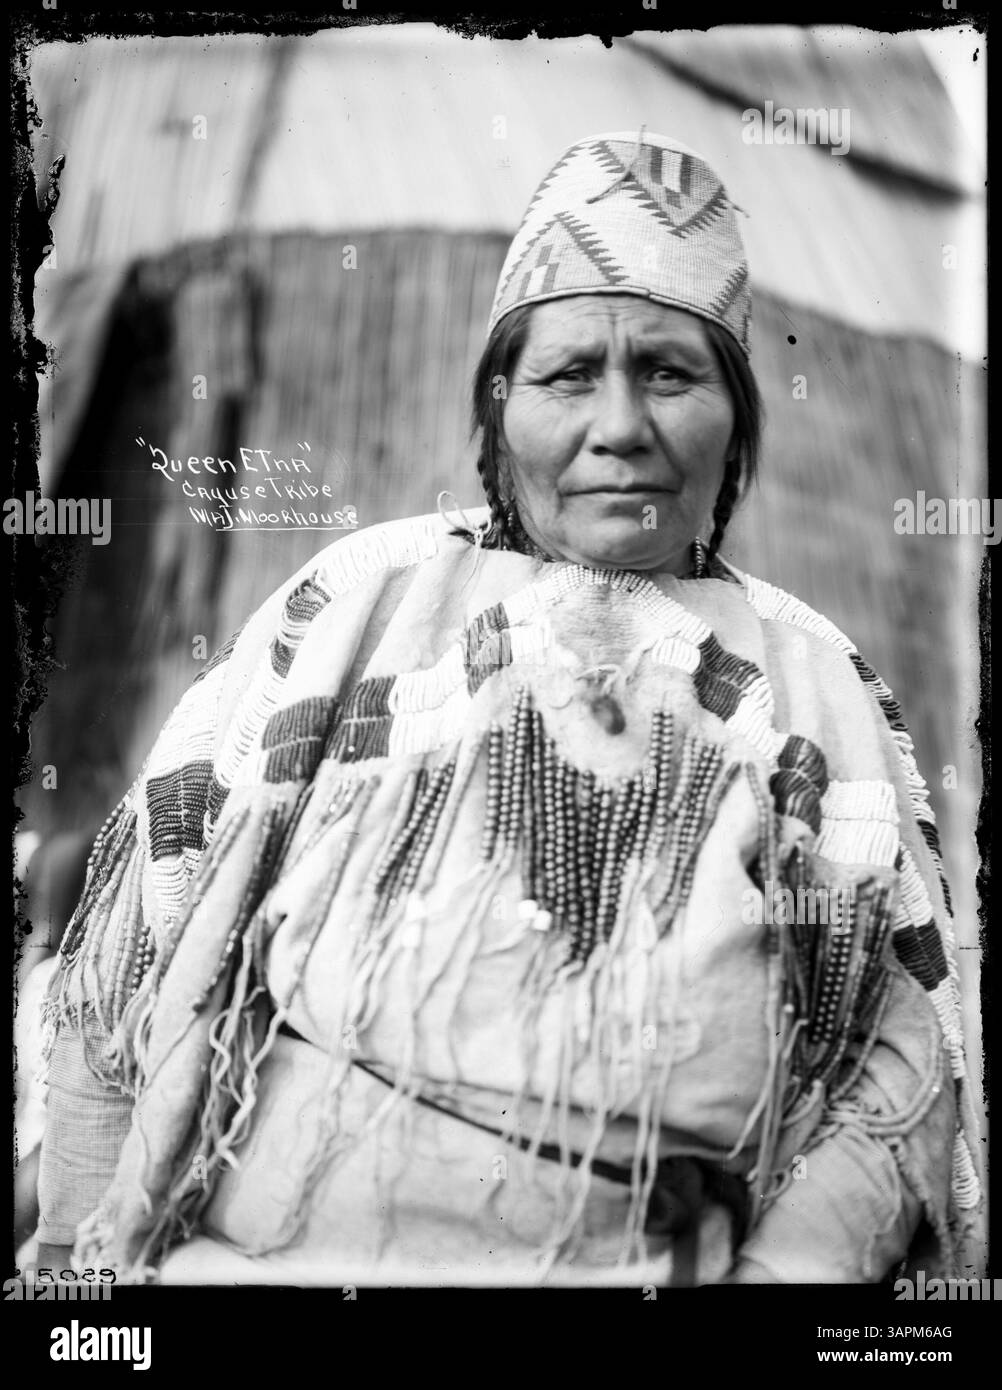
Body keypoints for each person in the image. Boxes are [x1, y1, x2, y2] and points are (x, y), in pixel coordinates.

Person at [36, 131, 981, 1285]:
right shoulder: (361, 605)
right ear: (499, 411)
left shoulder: (811, 679)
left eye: (672, 373)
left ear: (737, 419)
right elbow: (139, 953)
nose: (623, 424)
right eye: (570, 373)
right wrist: (72, 1287)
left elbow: (901, 1062)